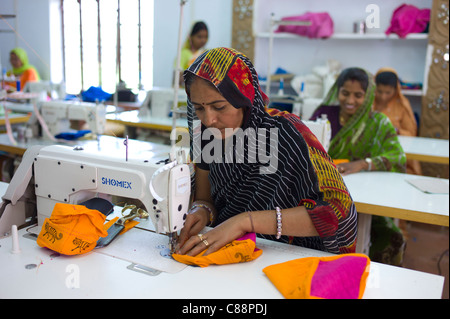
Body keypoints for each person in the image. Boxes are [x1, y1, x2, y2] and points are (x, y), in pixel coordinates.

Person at [175, 47, 357, 258]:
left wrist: (245, 221)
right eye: (198, 108)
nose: (208, 119)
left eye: (219, 107)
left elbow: (339, 211)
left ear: (243, 98)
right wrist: (201, 211)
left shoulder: (286, 134)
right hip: (231, 248)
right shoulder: (206, 134)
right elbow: (206, 200)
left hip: (287, 254)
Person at [310, 67, 407, 265]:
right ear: (337, 92)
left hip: (363, 199)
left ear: (368, 95)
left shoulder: (377, 123)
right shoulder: (324, 113)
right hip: (322, 196)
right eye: (345, 93)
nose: (350, 100)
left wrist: (364, 164)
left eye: (358, 95)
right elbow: (303, 144)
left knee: (390, 237)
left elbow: (397, 157)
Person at [374, 67, 422, 175]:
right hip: (372, 152)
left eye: (388, 92)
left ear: (396, 90)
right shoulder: (369, 103)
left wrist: (396, 131)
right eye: (380, 91)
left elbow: (411, 134)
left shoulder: (402, 105)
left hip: (397, 151)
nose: (383, 96)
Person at [176, 21, 209, 87]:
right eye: (199, 37)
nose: (203, 40)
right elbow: (176, 78)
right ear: (191, 37)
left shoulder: (208, 53)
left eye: (205, 37)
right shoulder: (184, 54)